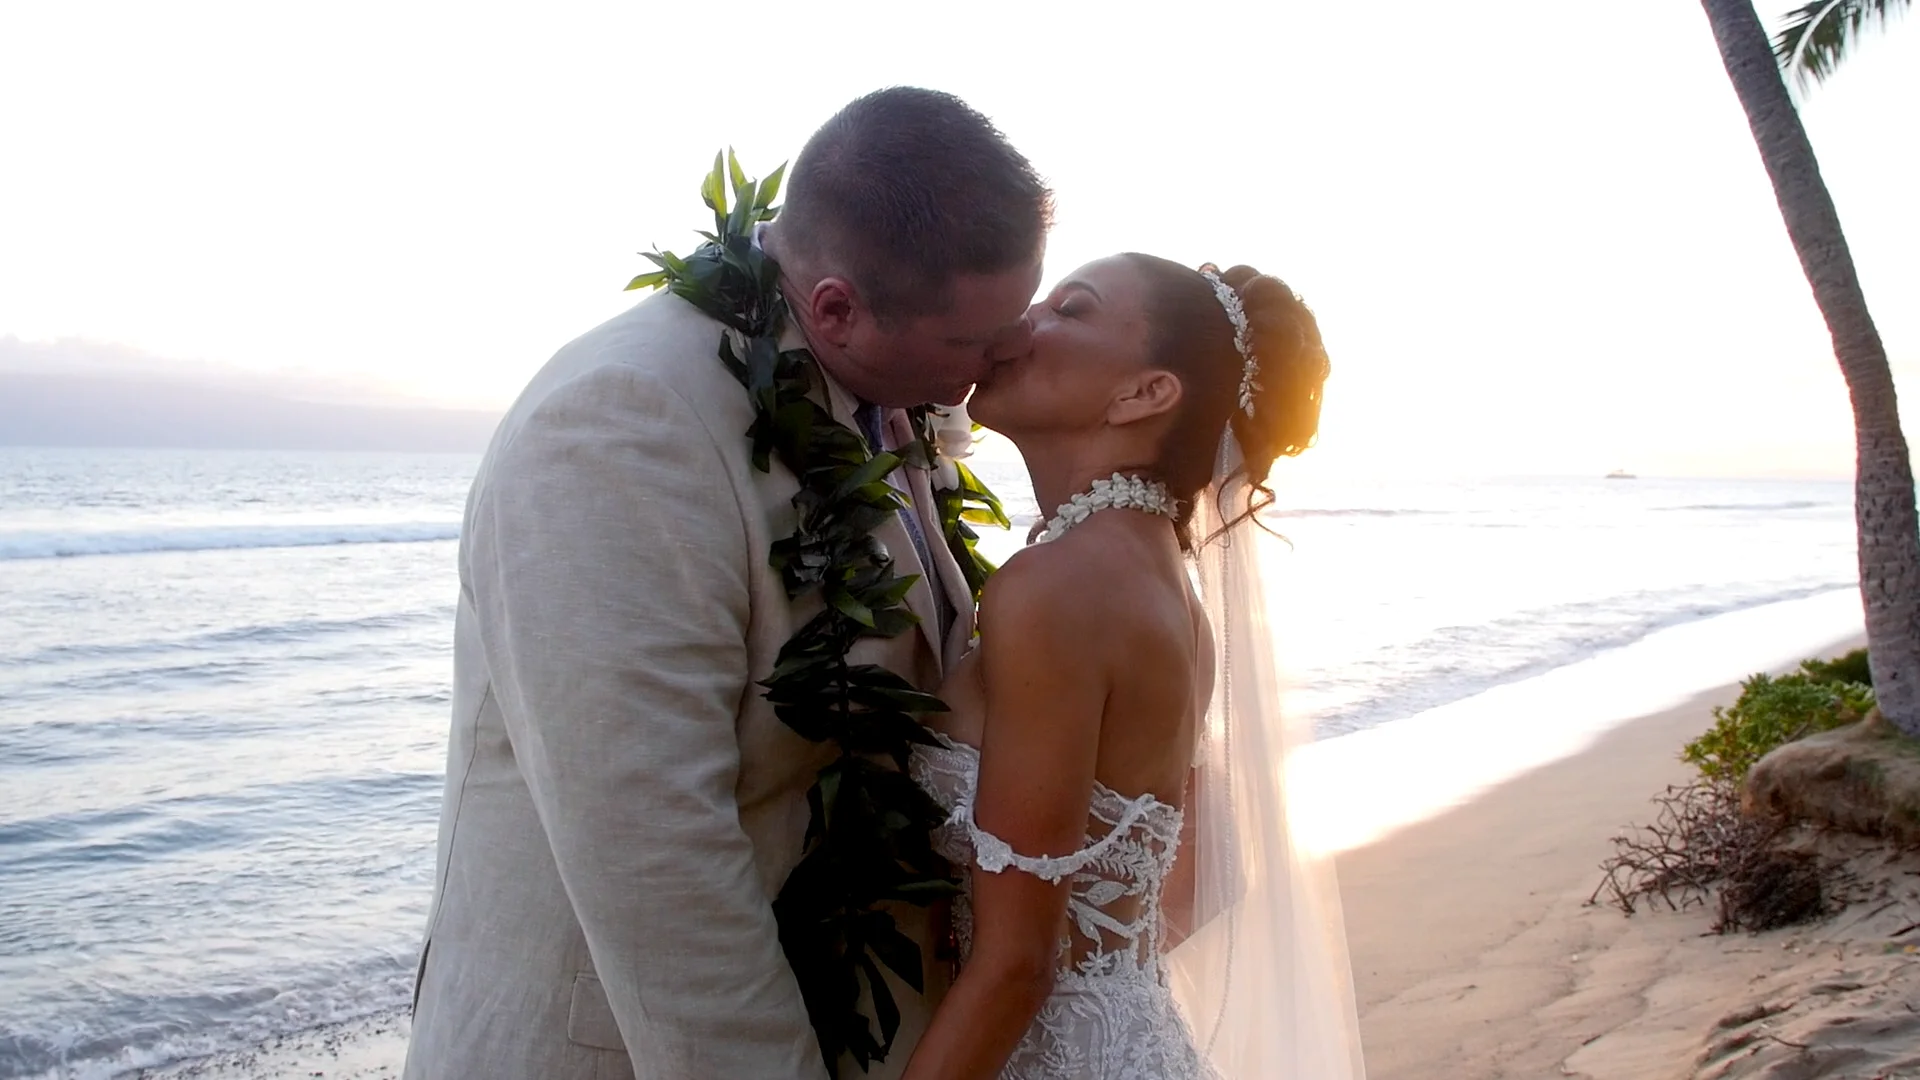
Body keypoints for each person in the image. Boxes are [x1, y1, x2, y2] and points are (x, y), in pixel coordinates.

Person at [402, 87, 1050, 1080]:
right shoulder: (621, 424)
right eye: (978, 342)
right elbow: (657, 857)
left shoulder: (879, 388)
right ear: (835, 307)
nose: (1010, 353)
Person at [897, 255, 1368, 1079]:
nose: (1023, 319)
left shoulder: (1058, 587)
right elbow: (1177, 879)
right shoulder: (1168, 593)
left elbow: (1019, 968)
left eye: (1069, 308)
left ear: (1145, 393)